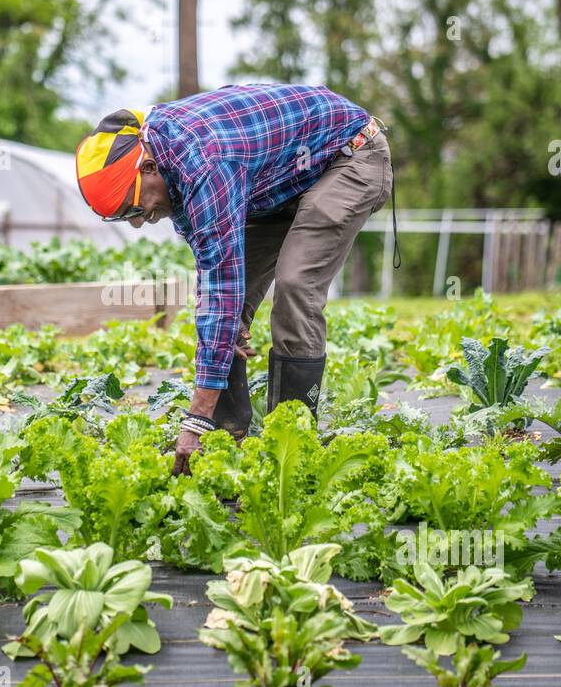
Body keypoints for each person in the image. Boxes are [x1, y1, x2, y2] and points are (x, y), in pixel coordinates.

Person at [74, 83, 396, 474]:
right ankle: (227, 438)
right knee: (226, 309)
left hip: (350, 156)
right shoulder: (162, 156)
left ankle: (290, 449)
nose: (139, 221)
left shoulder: (202, 163)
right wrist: (227, 323)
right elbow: (218, 287)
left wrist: (195, 416)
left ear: (148, 168)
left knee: (295, 285)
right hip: (283, 178)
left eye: (133, 207)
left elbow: (221, 286)